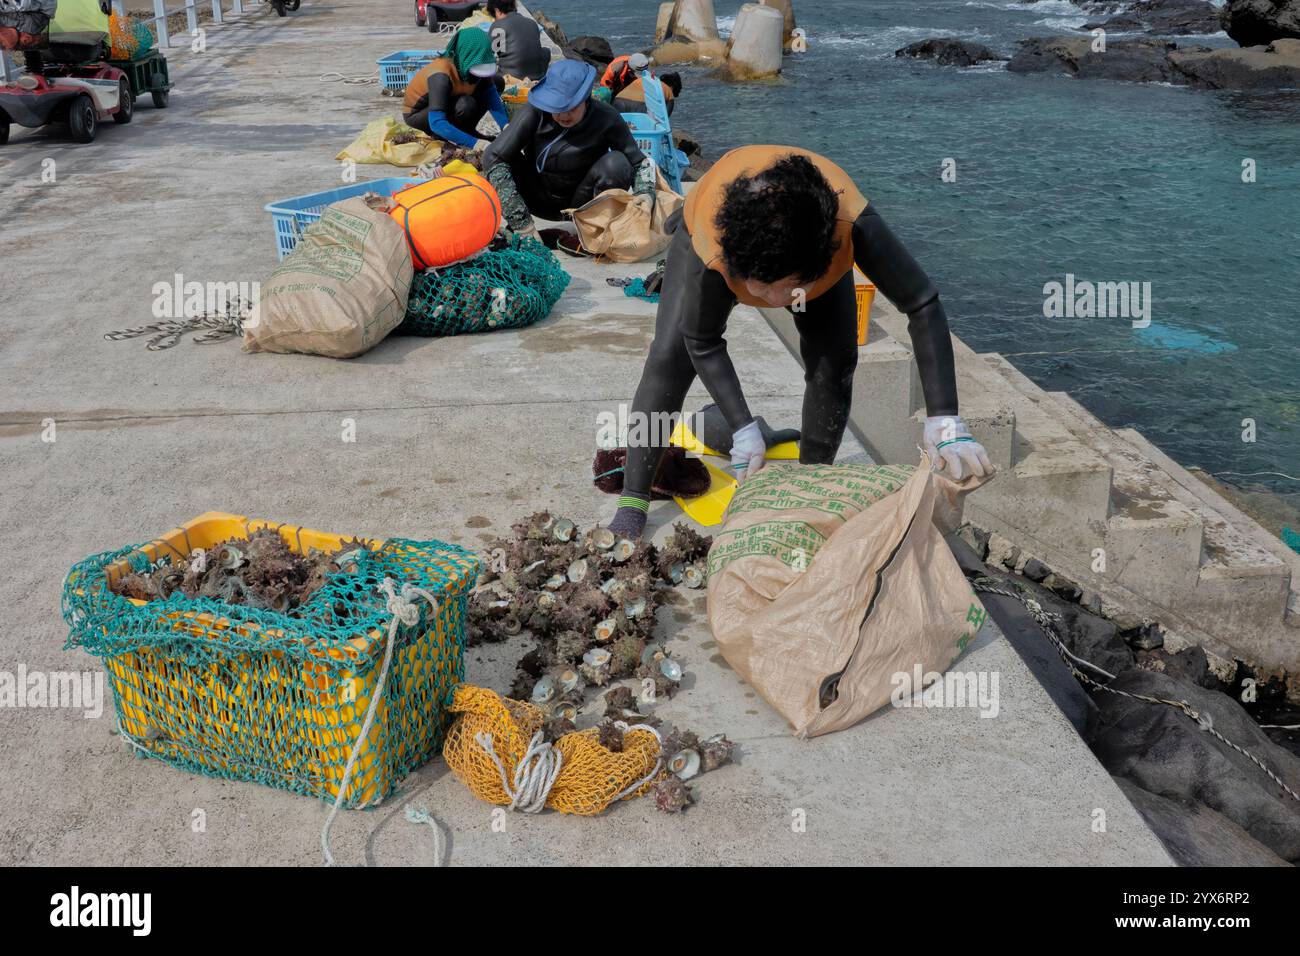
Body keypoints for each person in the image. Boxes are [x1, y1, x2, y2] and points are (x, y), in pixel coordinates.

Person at [606, 145, 993, 539]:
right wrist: (742, 427)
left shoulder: (851, 225)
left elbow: (922, 303)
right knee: (669, 357)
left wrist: (944, 416)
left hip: (807, 246)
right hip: (721, 234)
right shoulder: (714, 251)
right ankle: (635, 494)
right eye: (762, 291)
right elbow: (702, 340)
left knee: (835, 361)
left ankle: (811, 482)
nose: (773, 304)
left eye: (785, 291)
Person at [481, 58, 657, 233]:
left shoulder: (606, 117)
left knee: (617, 162)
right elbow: (491, 156)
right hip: (538, 198)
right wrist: (521, 223)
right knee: (504, 158)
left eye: (571, 107)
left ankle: (598, 229)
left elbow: (640, 162)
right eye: (557, 108)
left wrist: (645, 193)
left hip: (582, 202)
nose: (564, 115)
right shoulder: (535, 112)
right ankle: (520, 226)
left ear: (586, 99)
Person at [402, 27, 509, 149]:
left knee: (497, 82)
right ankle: (447, 136)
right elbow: (436, 122)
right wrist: (475, 144)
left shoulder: (476, 69)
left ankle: (467, 132)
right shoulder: (441, 75)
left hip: (451, 99)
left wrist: (506, 126)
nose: (479, 77)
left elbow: (492, 97)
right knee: (466, 104)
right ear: (465, 59)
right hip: (421, 114)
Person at [486, 0, 548, 81]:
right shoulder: (532, 23)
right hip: (537, 75)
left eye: (494, 16)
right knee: (546, 51)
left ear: (497, 11)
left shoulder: (497, 26)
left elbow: (489, 54)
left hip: (510, 76)